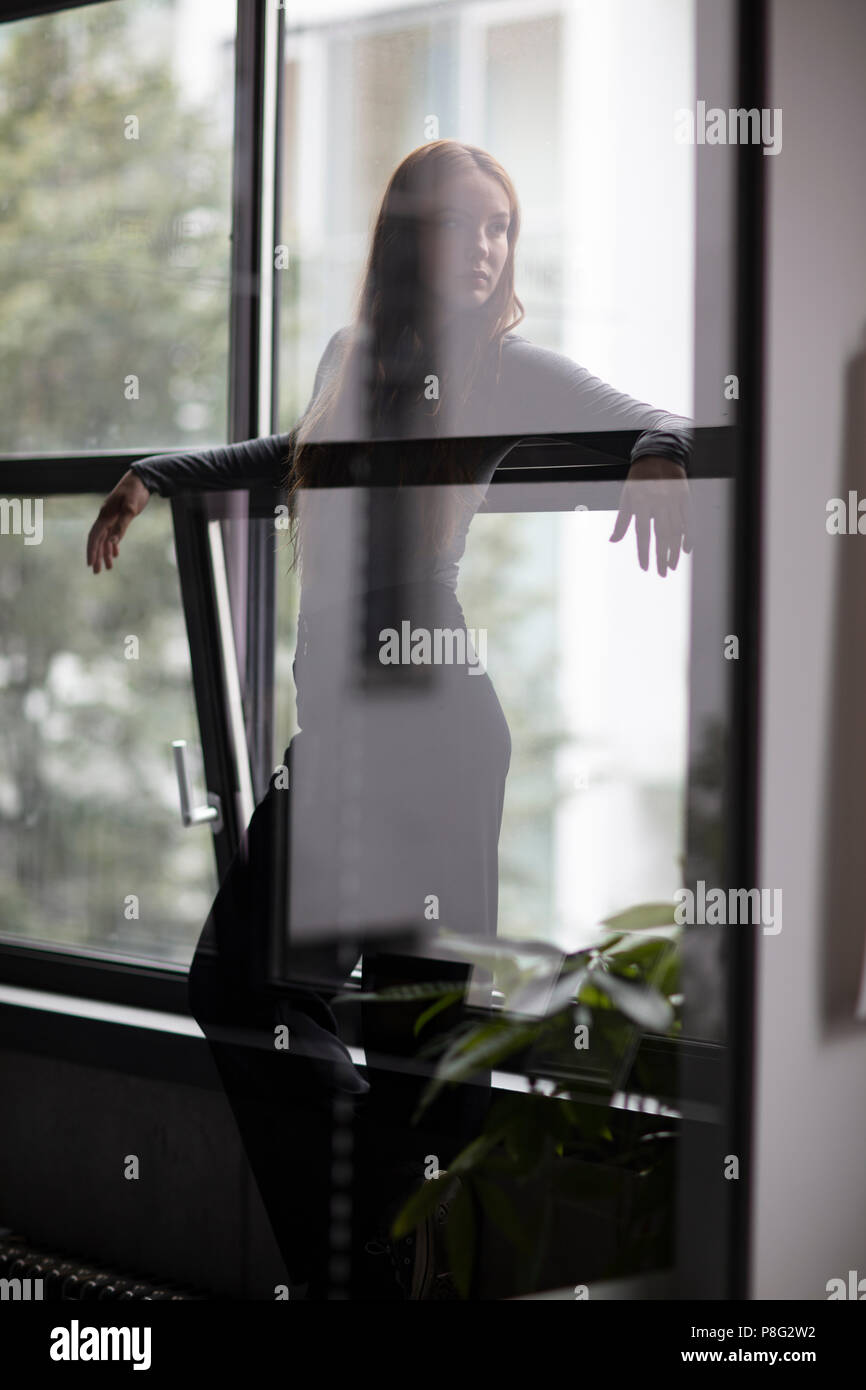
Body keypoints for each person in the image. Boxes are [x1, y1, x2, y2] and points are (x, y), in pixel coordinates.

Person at [86, 140, 692, 1298]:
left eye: (499, 226)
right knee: (270, 992)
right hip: (350, 732)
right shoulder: (350, 354)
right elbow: (291, 458)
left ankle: (374, 1258)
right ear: (403, 237)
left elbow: (650, 417)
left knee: (385, 1035)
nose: (481, 247)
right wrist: (158, 472)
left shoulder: (501, 366)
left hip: (436, 730)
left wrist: (660, 452)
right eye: (458, 224)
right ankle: (368, 1252)